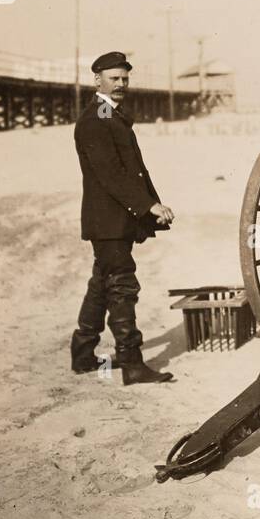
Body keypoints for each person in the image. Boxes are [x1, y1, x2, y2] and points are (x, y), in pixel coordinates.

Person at [70, 51, 175, 385]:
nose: (120, 85)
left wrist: (151, 205)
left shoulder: (108, 115)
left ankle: (83, 354)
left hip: (112, 219)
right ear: (97, 79)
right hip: (108, 220)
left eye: (125, 79)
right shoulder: (95, 119)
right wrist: (148, 207)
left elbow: (134, 172)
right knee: (122, 286)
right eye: (114, 78)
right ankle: (132, 363)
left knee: (103, 282)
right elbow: (111, 174)